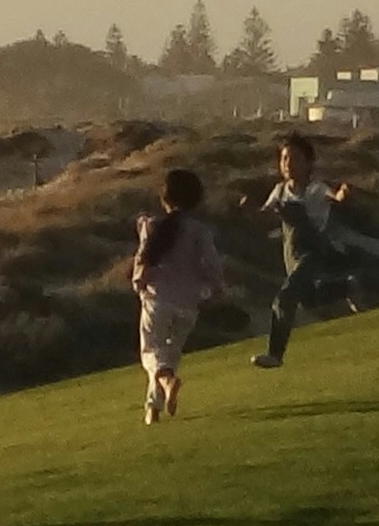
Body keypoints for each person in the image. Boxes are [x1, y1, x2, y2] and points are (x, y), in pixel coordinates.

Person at [240, 131, 357, 369]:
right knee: (309, 301)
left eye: (294, 158)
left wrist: (343, 194)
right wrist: (249, 211)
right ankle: (347, 287)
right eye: (284, 159)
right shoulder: (280, 191)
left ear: (308, 163)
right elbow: (266, 218)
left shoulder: (316, 189)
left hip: (312, 253)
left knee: (284, 299)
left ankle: (274, 354)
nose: (288, 164)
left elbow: (335, 198)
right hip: (290, 255)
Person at [132, 166, 219, 422]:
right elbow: (212, 266)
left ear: (164, 198)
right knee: (169, 354)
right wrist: (215, 289)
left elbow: (142, 262)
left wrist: (139, 285)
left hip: (158, 300)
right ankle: (153, 409)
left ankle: (168, 384)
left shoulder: (153, 226)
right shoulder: (200, 231)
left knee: (151, 353)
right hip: (189, 304)